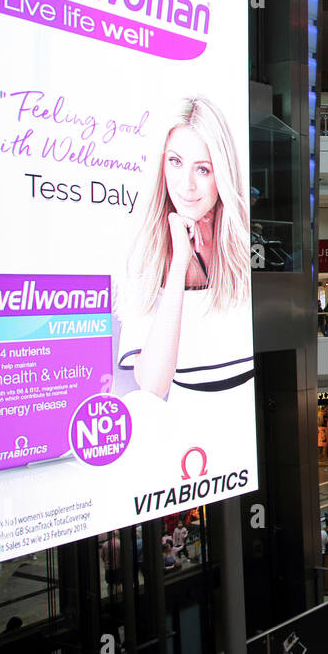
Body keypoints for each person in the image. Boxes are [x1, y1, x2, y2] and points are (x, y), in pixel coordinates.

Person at [118, 97, 253, 420]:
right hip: (190, 432)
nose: (187, 185)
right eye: (175, 162)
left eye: (203, 169)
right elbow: (152, 384)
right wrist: (179, 263)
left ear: (221, 171)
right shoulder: (147, 251)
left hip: (254, 423)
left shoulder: (250, 243)